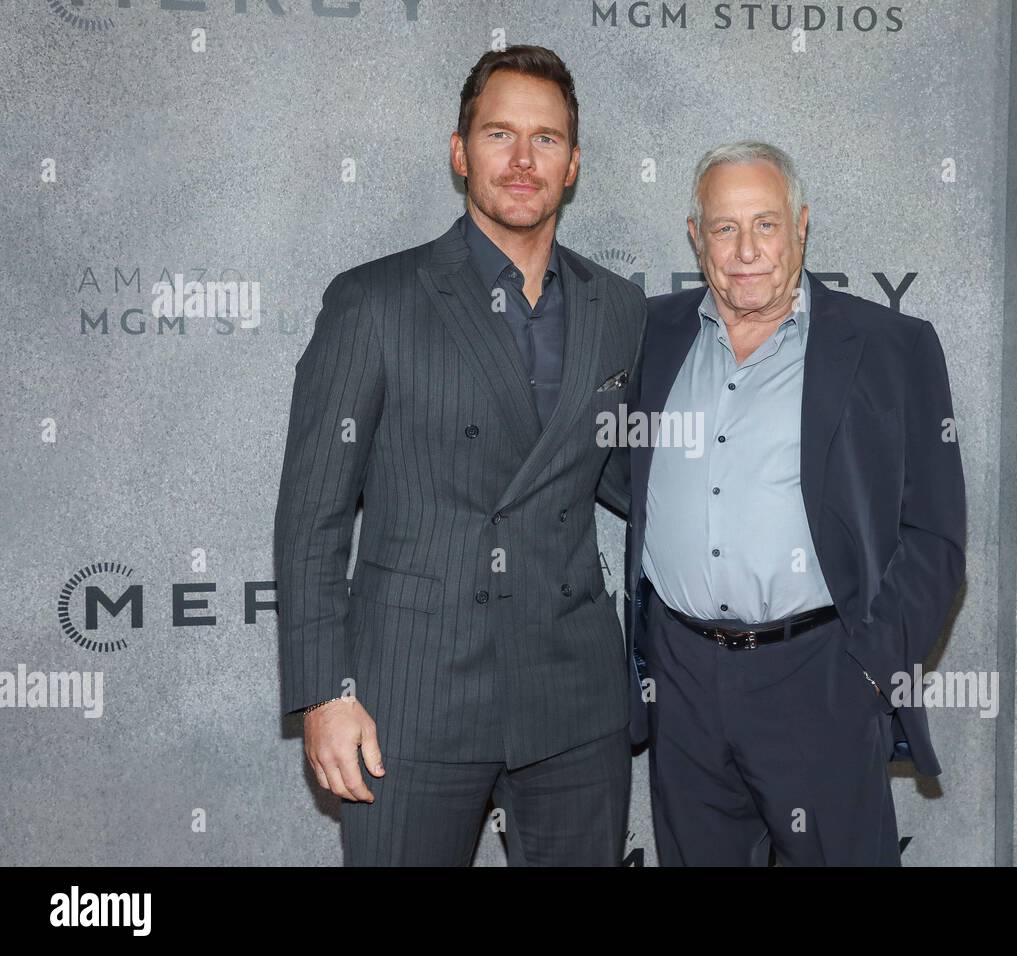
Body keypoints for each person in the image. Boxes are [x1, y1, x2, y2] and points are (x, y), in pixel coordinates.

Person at [273, 44, 645, 866]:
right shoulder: (374, 302)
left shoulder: (617, 309)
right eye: (499, 134)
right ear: (459, 152)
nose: (522, 160)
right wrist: (321, 695)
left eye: (546, 140)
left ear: (573, 164)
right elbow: (313, 519)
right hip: (411, 695)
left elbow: (635, 477)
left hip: (575, 700)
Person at [622, 141, 966, 865]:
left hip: (819, 679)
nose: (746, 249)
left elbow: (935, 533)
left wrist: (871, 667)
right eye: (724, 227)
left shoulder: (890, 346)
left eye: (766, 225)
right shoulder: (648, 334)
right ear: (696, 236)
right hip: (681, 683)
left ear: (802, 226)